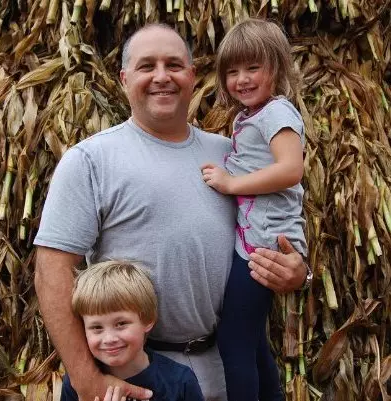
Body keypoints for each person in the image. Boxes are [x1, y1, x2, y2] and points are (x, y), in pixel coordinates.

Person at [34, 23, 310, 401]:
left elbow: (274, 218)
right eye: (147, 66)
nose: (161, 77)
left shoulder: (229, 155)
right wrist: (86, 379)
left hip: (226, 371)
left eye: (174, 65)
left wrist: (299, 275)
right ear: (124, 77)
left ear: (193, 77)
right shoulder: (90, 161)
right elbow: (51, 271)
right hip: (140, 376)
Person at [201, 18, 307, 401]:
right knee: (251, 337)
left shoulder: (277, 113)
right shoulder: (252, 116)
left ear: (276, 69)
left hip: (265, 242)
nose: (241, 79)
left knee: (233, 342)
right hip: (256, 237)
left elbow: (291, 169)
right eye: (232, 71)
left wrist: (231, 184)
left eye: (253, 67)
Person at [60, 261, 204, 401]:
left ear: (147, 319)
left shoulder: (180, 382)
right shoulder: (78, 383)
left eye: (121, 324)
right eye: (97, 327)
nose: (109, 338)